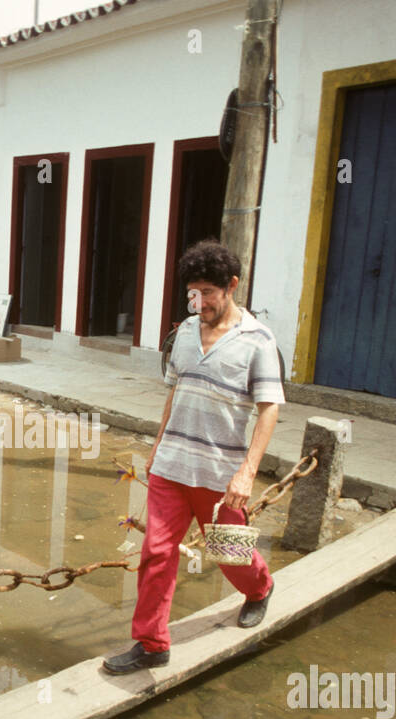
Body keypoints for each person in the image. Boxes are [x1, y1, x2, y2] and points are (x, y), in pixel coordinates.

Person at [103, 239, 286, 675]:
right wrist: (157, 444)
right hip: (171, 467)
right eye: (193, 292)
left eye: (208, 292)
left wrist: (247, 473)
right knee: (156, 553)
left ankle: (260, 590)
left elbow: (269, 409)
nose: (198, 301)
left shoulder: (258, 341)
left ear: (232, 286)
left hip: (220, 477)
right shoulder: (183, 334)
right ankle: (152, 644)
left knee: (229, 553)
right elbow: (175, 392)